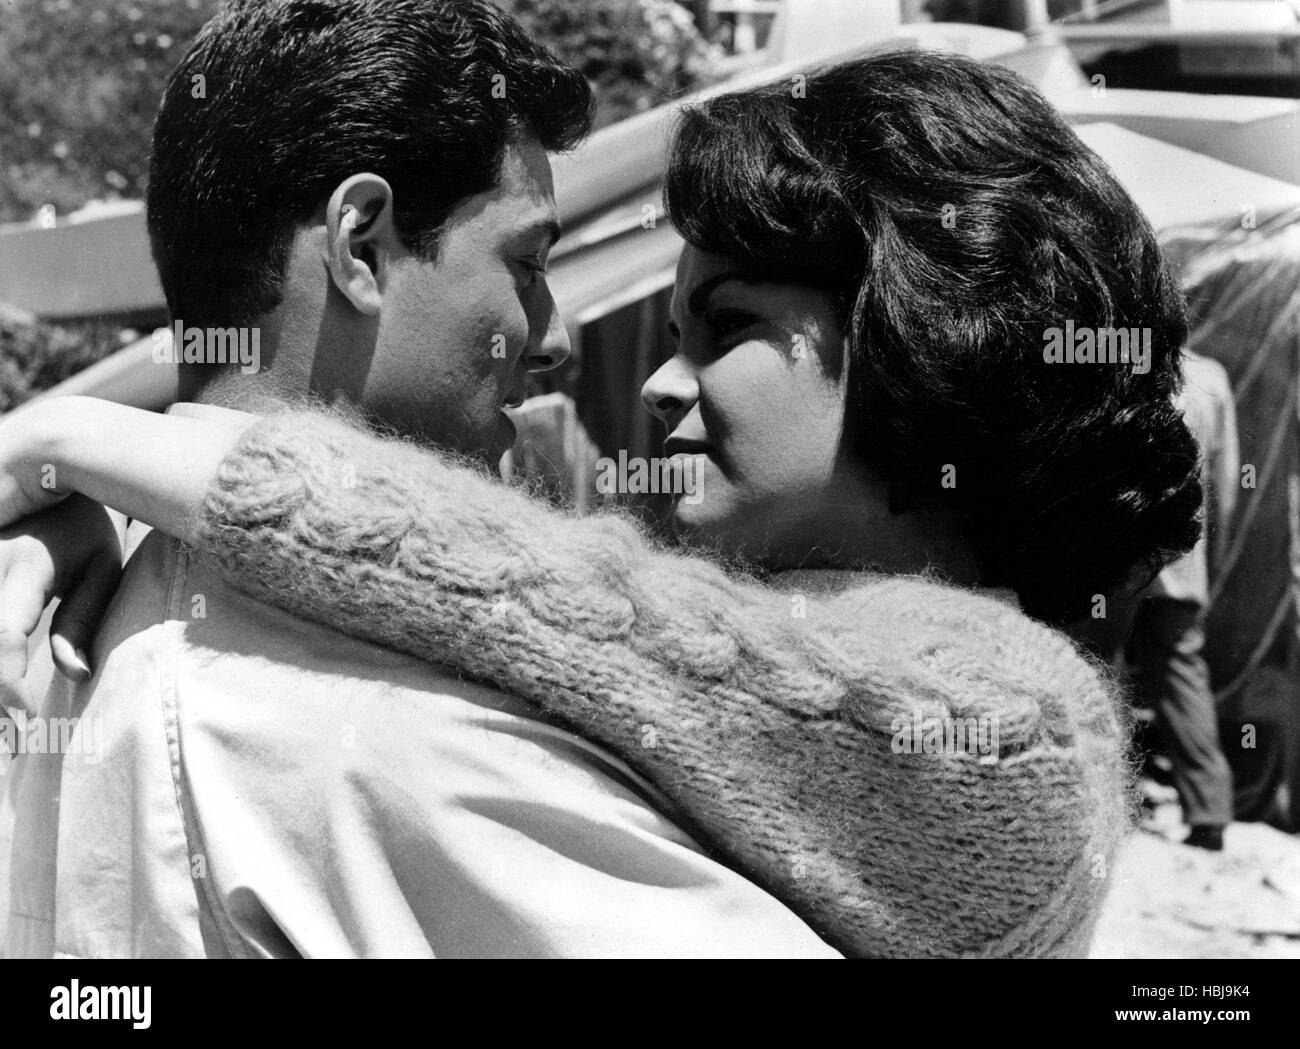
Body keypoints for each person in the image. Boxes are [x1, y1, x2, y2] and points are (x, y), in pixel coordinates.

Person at [0, 50, 1203, 958]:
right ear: (356, 246)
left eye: (726, 328)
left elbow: (564, 599)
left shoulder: (1020, 731)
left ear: (922, 338)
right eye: (528, 264)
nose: (658, 383)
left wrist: (109, 445)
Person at [0, 0, 836, 959]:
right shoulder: (383, 721)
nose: (556, 335)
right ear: (361, 246)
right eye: (526, 263)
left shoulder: (76, 622)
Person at [1126, 350, 1238, 850]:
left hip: (1121, 556)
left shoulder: (1121, 361)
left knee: (1095, 667)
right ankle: (1209, 812)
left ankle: (1104, 801)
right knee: (1182, 673)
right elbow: (1227, 483)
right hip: (1183, 559)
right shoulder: (1211, 378)